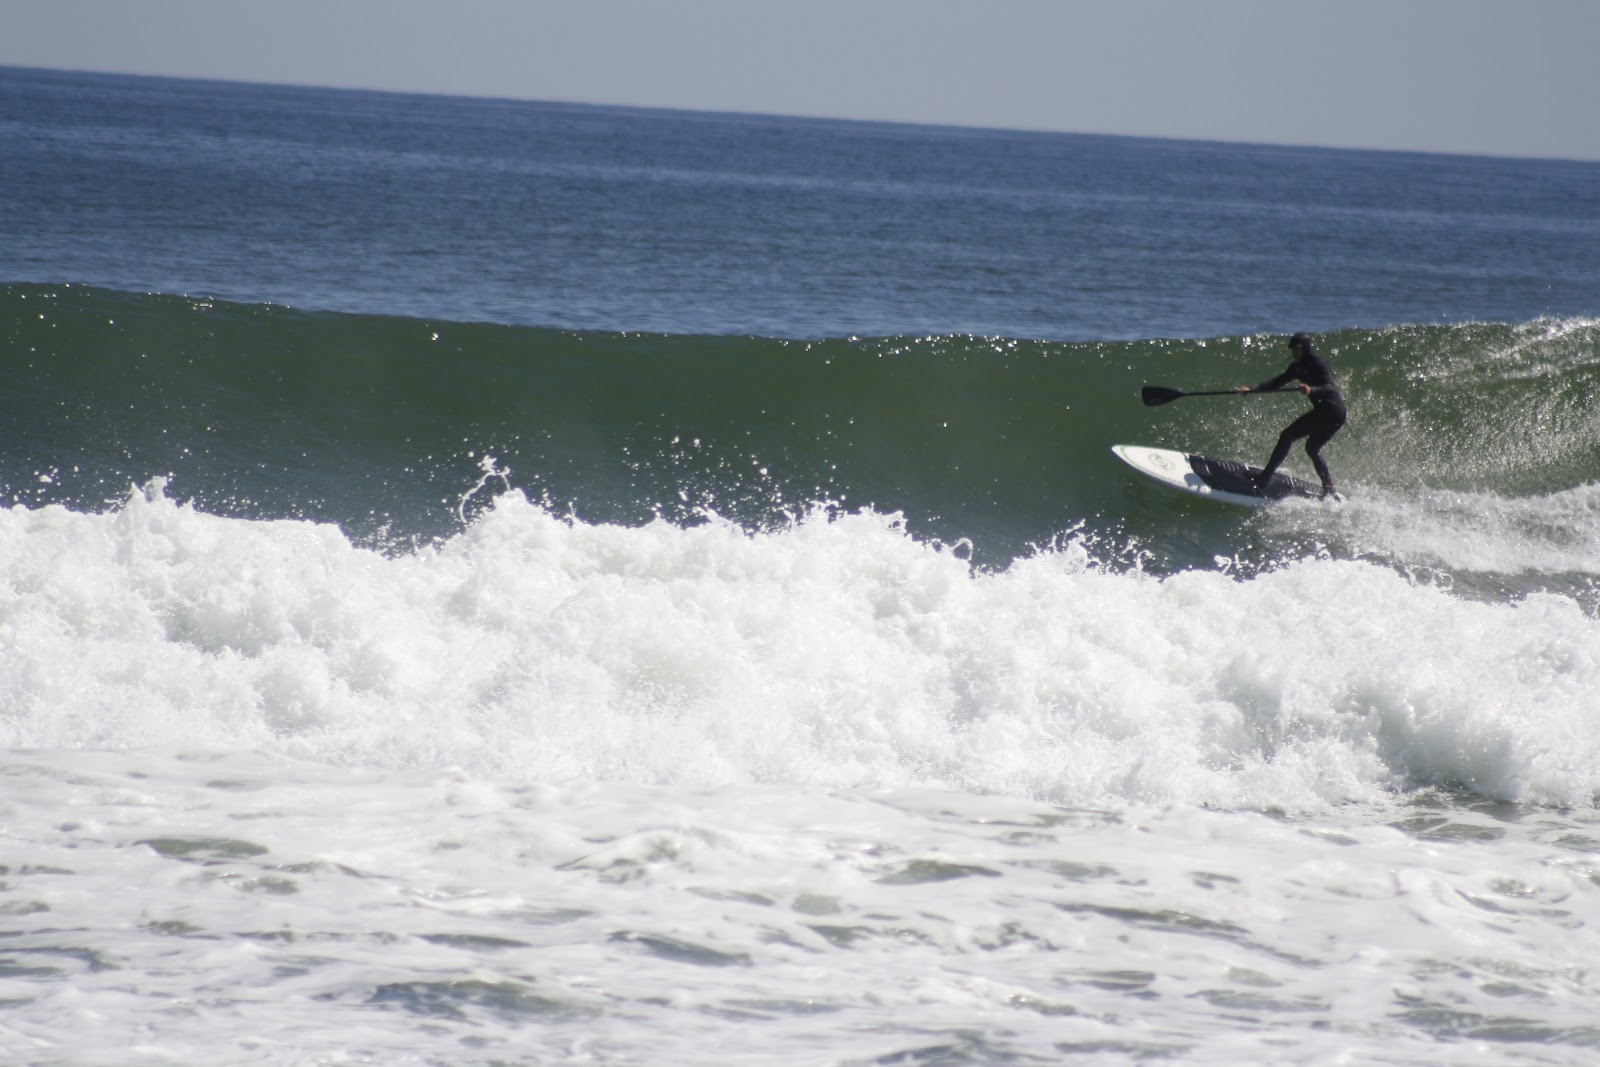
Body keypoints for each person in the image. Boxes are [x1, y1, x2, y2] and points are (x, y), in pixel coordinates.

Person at [1235, 332, 1345, 498]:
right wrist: (1252, 390)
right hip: (1325, 412)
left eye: (1296, 349)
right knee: (1312, 448)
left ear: (1305, 349)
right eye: (1292, 350)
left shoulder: (1319, 364)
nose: (1293, 353)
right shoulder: (1296, 367)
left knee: (1287, 436)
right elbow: (1276, 382)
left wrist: (1312, 389)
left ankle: (1264, 479)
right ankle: (1328, 486)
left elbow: (1330, 387)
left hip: (1333, 411)